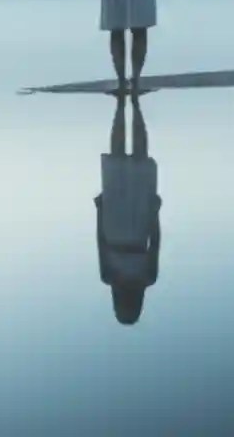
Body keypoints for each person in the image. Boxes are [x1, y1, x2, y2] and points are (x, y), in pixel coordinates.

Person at [94, 93, 161, 325]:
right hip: (124, 227)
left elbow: (155, 243)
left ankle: (127, 104)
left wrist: (154, 213)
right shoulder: (123, 278)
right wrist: (100, 210)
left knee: (129, 158)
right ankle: (130, 104)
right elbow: (155, 244)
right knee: (123, 157)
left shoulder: (131, 278)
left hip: (131, 227)